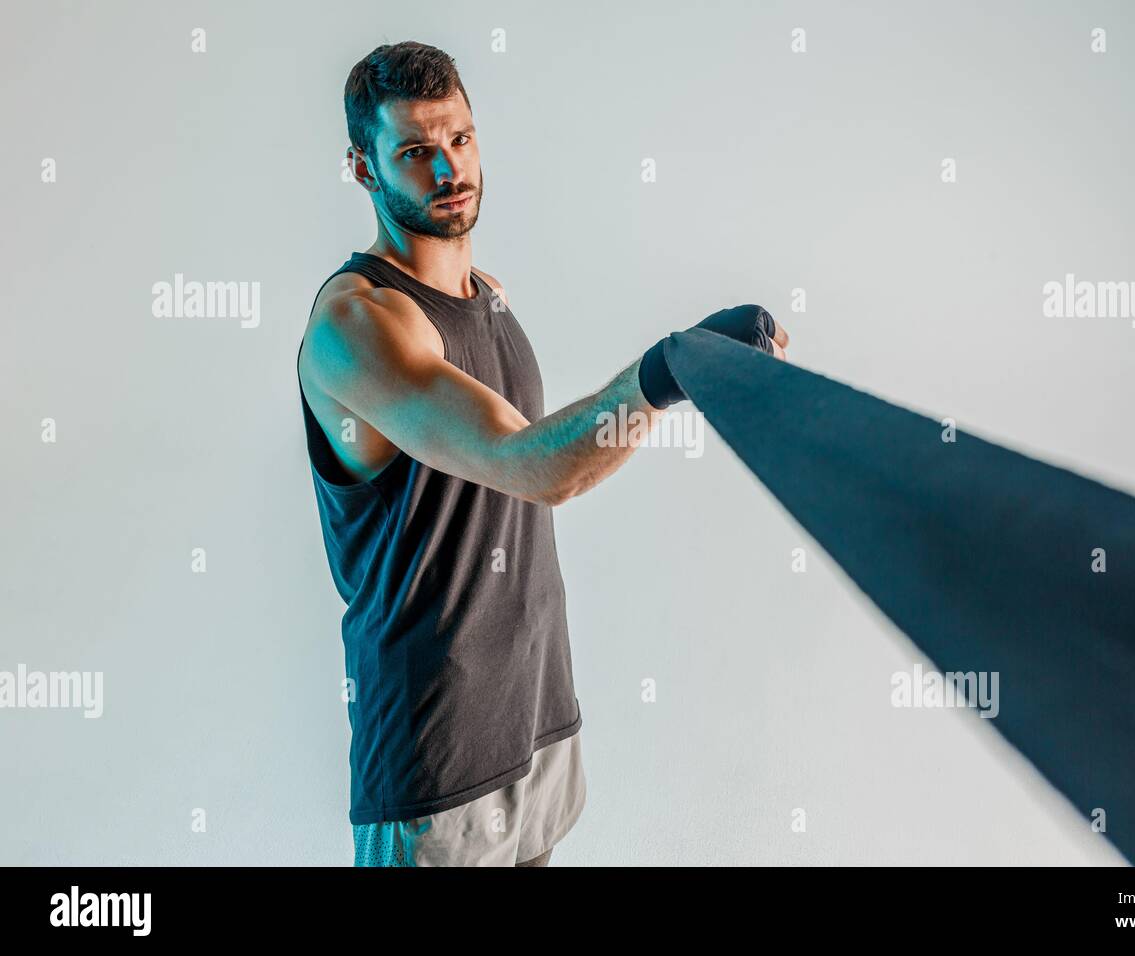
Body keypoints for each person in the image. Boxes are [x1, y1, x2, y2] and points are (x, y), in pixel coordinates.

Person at [296, 40, 790, 866]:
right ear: (363, 169)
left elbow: (532, 477)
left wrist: (683, 373)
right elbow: (534, 464)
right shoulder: (362, 324)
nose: (447, 167)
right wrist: (667, 371)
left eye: (459, 138)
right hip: (434, 754)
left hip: (533, 716)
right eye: (414, 151)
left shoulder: (485, 298)